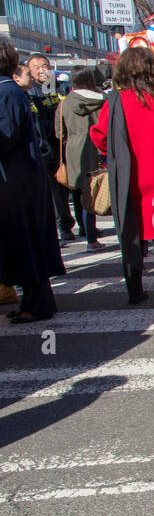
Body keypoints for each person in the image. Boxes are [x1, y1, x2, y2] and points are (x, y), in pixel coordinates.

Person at [89, 47, 154, 308]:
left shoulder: (116, 102)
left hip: (128, 175)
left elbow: (99, 135)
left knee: (130, 231)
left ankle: (134, 290)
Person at [0, 38, 63, 323]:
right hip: (19, 177)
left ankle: (37, 303)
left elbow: (6, 134)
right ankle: (31, 299)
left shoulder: (7, 92)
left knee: (26, 242)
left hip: (18, 180)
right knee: (22, 242)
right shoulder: (10, 91)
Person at [27, 53, 77, 244]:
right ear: (30, 72)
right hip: (48, 148)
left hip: (66, 145)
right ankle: (64, 225)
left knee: (73, 186)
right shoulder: (32, 92)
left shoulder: (60, 88)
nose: (42, 70)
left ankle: (83, 223)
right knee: (56, 189)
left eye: (45, 65)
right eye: (37, 67)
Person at [56, 67, 106, 251]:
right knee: (94, 192)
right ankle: (92, 237)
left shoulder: (64, 103)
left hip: (73, 150)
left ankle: (84, 230)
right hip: (96, 149)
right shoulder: (101, 100)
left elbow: (58, 131)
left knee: (77, 192)